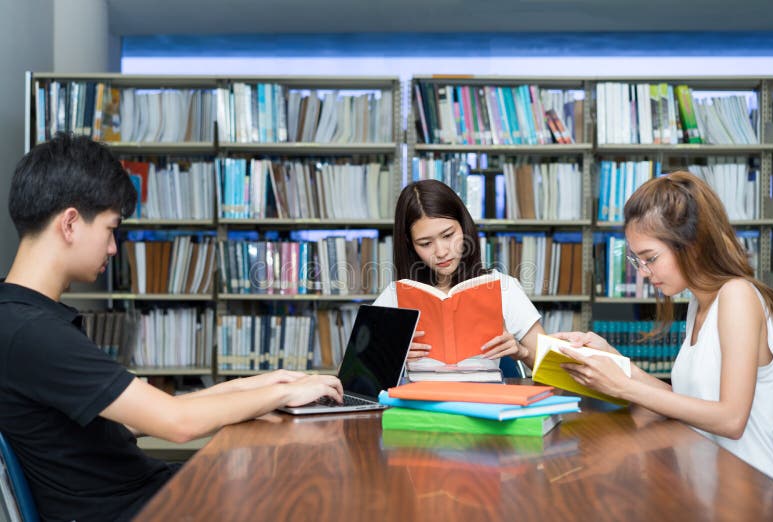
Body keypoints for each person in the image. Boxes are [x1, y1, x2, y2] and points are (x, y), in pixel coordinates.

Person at [0, 133, 343, 521]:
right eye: (111, 229)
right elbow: (178, 425)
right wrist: (281, 396)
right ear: (70, 224)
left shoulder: (21, 318)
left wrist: (263, 385)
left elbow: (138, 416)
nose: (113, 248)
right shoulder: (33, 333)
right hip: (144, 509)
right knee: (309, 488)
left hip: (148, 494)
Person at [552, 171, 773, 486]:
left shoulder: (738, 296)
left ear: (691, 244)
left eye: (650, 258)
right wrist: (615, 362)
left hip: (753, 491)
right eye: (639, 261)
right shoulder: (699, 303)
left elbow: (731, 419)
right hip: (710, 483)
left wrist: (623, 387)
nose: (645, 273)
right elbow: (691, 402)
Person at [373, 179, 544, 369]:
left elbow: (549, 365)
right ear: (410, 245)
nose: (441, 251)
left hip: (481, 398)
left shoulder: (502, 287)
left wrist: (522, 352)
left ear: (464, 226)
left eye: (447, 235)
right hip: (420, 398)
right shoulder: (395, 296)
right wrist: (392, 355)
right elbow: (354, 374)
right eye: (425, 243)